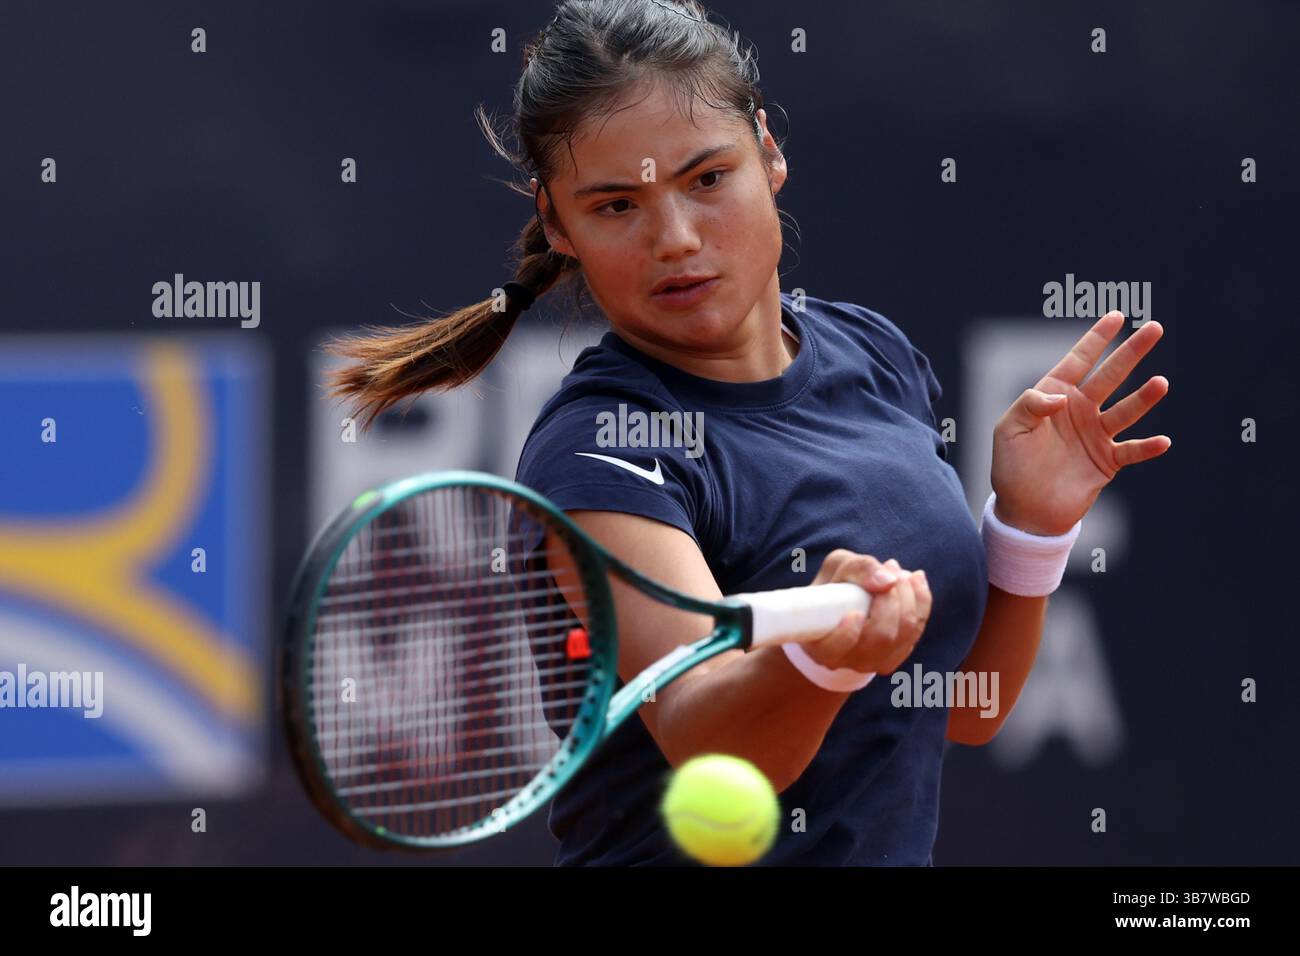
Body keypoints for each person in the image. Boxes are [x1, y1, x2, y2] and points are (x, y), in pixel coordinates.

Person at [323, 0, 1170, 865]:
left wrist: (1030, 527)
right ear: (558, 225)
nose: (675, 239)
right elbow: (707, 735)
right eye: (617, 205)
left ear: (767, 153)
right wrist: (824, 663)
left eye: (706, 178)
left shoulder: (874, 354)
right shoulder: (601, 450)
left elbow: (962, 709)